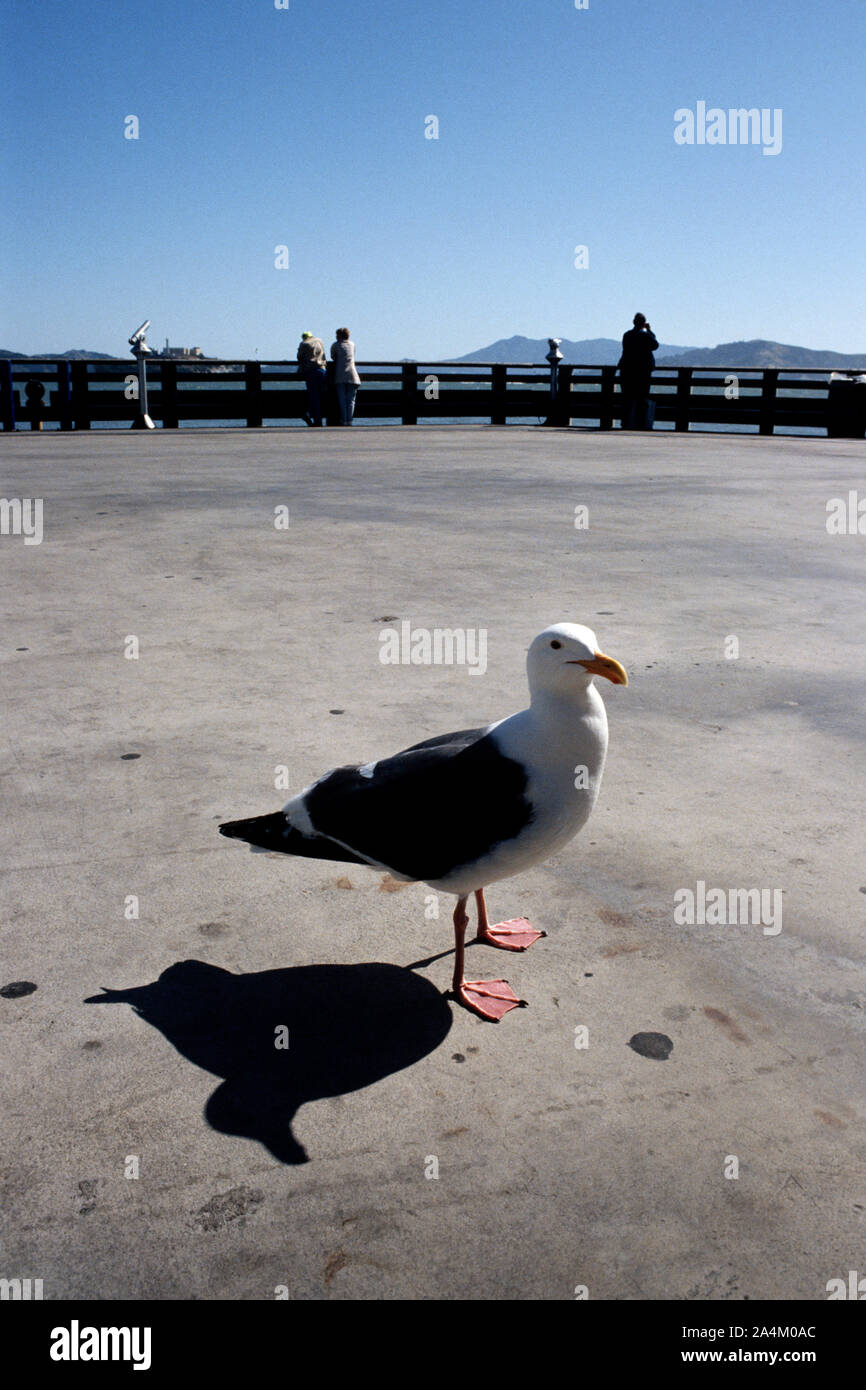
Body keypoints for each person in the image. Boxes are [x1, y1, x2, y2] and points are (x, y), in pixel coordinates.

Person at [618, 313, 659, 429]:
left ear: (633, 322)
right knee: (642, 398)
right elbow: (655, 345)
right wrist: (649, 331)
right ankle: (640, 423)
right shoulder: (645, 336)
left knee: (627, 398)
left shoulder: (627, 335)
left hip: (627, 370)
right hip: (642, 371)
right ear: (643, 323)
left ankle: (625, 423)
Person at [330, 328, 361, 424]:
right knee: (351, 400)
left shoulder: (335, 345)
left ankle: (344, 420)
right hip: (353, 375)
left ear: (339, 335)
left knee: (342, 400)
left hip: (340, 375)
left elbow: (333, 357)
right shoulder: (352, 344)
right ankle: (349, 420)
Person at [297, 330, 327, 426]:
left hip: (310, 371)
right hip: (322, 370)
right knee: (322, 395)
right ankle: (317, 419)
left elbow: (299, 357)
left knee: (314, 396)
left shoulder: (304, 344)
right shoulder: (319, 341)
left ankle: (313, 416)